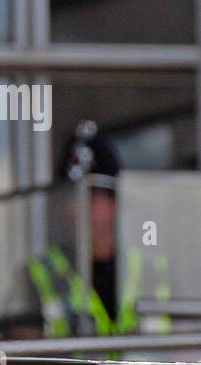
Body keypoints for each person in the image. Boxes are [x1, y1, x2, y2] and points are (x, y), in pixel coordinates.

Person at [27, 121, 171, 338]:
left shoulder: (153, 272)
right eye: (71, 195)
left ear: (116, 203)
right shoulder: (38, 275)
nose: (77, 208)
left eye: (91, 196)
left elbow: (182, 352)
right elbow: (22, 352)